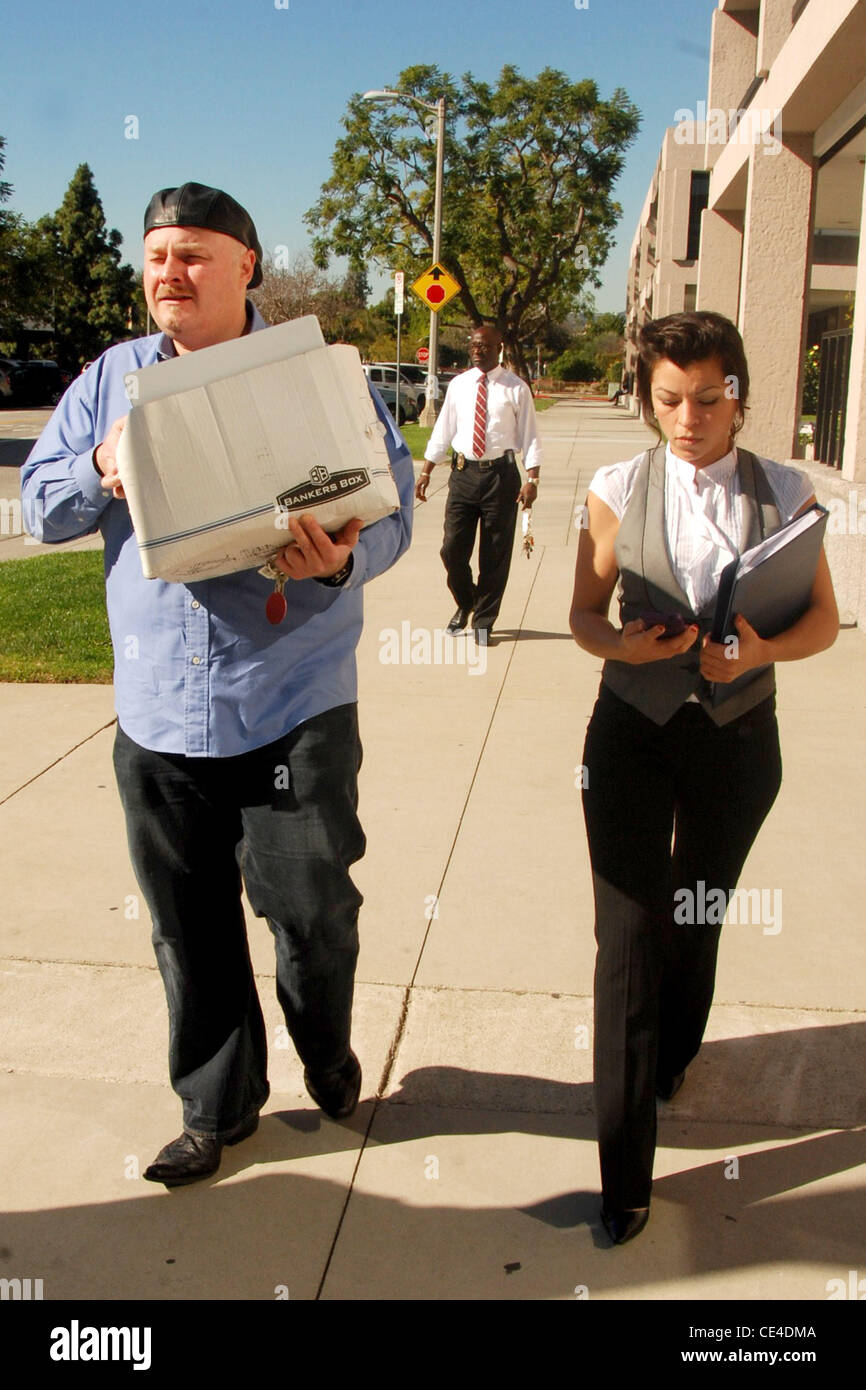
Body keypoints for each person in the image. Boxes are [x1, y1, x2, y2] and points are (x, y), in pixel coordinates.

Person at [21, 182, 414, 1187]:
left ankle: (324, 1047)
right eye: (155, 255)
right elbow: (39, 506)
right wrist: (98, 470)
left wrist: (335, 563)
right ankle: (215, 1106)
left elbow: (395, 512)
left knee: (311, 910)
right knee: (186, 925)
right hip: (158, 717)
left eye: (193, 254)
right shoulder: (110, 381)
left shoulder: (313, 375)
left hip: (291, 706)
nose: (169, 273)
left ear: (247, 267)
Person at [569, 311, 838, 1245]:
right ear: (650, 397)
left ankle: (677, 1049)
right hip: (631, 735)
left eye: (709, 399)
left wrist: (760, 649)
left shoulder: (790, 490)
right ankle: (624, 1175)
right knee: (627, 939)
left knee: (696, 910)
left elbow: (824, 624)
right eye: (670, 400)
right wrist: (624, 641)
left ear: (739, 397)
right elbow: (583, 619)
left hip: (737, 739)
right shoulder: (613, 486)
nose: (689, 419)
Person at [416, 325, 541, 643]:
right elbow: (443, 430)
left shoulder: (515, 388)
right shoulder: (459, 385)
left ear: (498, 347)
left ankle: (484, 621)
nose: (476, 350)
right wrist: (427, 471)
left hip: (501, 478)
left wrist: (533, 479)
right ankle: (466, 602)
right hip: (463, 475)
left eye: (483, 346)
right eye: (473, 345)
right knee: (451, 550)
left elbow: (530, 436)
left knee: (494, 554)